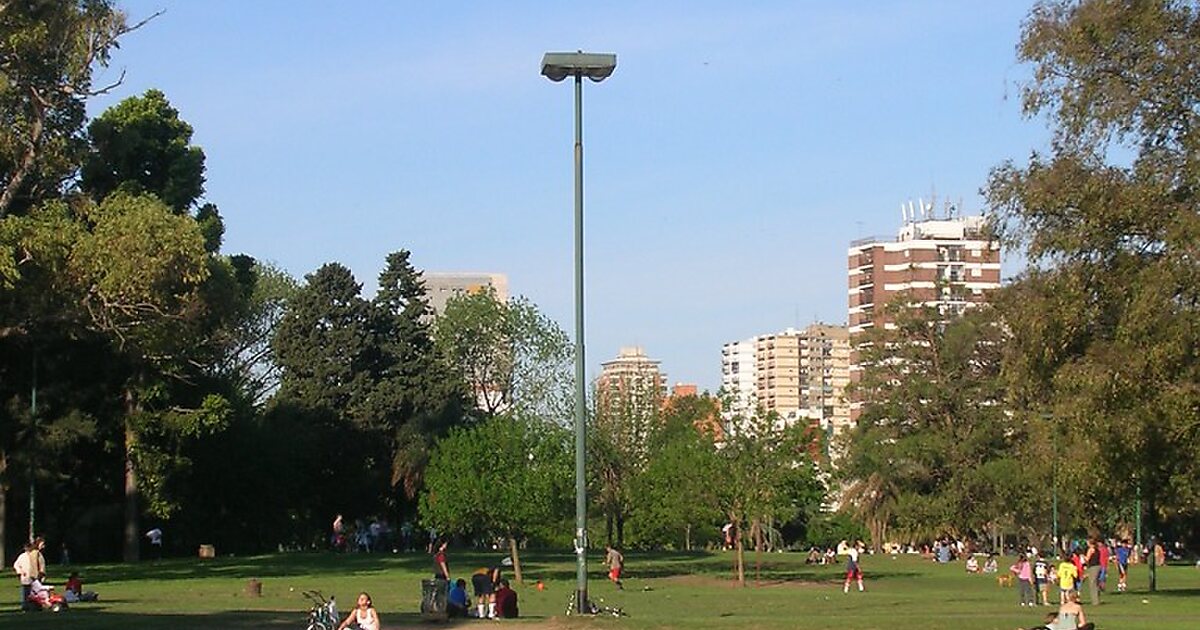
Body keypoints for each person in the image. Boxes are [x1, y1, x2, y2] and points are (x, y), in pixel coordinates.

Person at [13, 542, 34, 610]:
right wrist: (20, 571)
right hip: (25, 577)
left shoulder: (33, 555)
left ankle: (33, 605)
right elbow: (16, 565)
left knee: (33, 592)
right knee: (25, 591)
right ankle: (25, 605)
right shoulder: (22, 556)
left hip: (33, 577)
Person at [1082, 539, 1101, 605]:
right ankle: (1097, 598)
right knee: (1096, 583)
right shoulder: (1097, 550)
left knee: (1092, 584)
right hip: (1098, 566)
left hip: (1093, 567)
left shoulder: (1090, 550)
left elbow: (1087, 559)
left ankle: (1095, 601)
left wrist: (1082, 557)